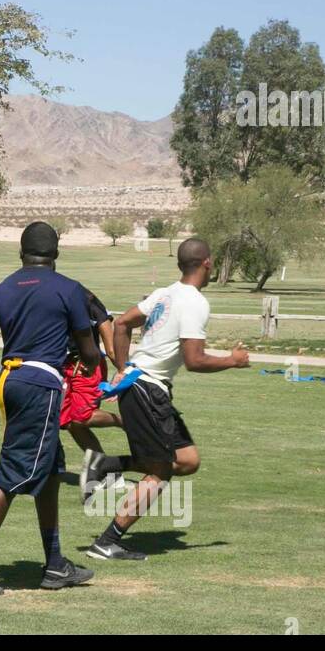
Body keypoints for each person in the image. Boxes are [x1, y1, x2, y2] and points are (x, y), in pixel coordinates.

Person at [0, 221, 100, 596]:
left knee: (48, 472)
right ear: (57, 254)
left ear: (20, 252)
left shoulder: (0, 290)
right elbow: (92, 355)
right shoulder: (69, 290)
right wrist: (83, 354)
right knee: (13, 473)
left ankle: (55, 565)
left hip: (9, 382)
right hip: (41, 386)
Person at [81, 237, 250, 561]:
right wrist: (233, 360)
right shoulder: (195, 302)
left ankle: (109, 464)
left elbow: (122, 322)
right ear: (208, 264)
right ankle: (107, 541)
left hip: (143, 387)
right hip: (149, 390)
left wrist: (123, 367)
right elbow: (194, 360)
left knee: (187, 460)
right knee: (160, 472)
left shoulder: (164, 294)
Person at [61, 287, 126, 500]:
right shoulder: (63, 302)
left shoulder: (93, 306)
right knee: (71, 424)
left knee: (82, 417)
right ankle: (109, 473)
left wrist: (122, 371)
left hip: (89, 368)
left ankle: (125, 421)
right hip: (68, 367)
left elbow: (110, 346)